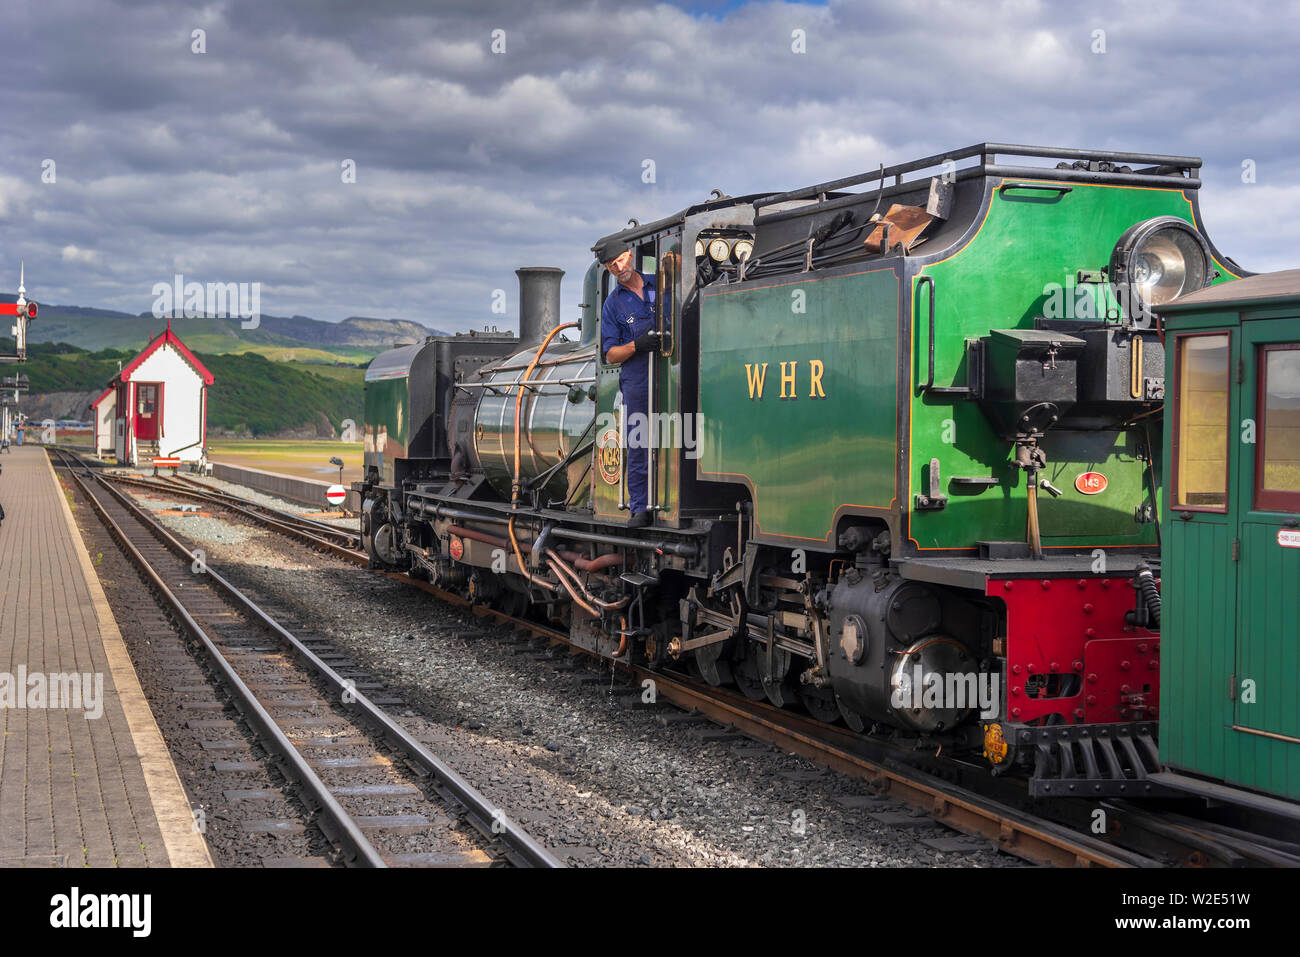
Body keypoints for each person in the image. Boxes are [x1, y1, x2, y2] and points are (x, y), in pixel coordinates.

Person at [597, 238, 660, 528]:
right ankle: (639, 507)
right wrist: (639, 344)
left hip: (673, 370)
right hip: (638, 378)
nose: (618, 268)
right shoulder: (613, 305)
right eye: (612, 266)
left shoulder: (660, 285)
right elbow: (610, 354)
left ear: (630, 256)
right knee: (639, 440)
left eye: (620, 261)